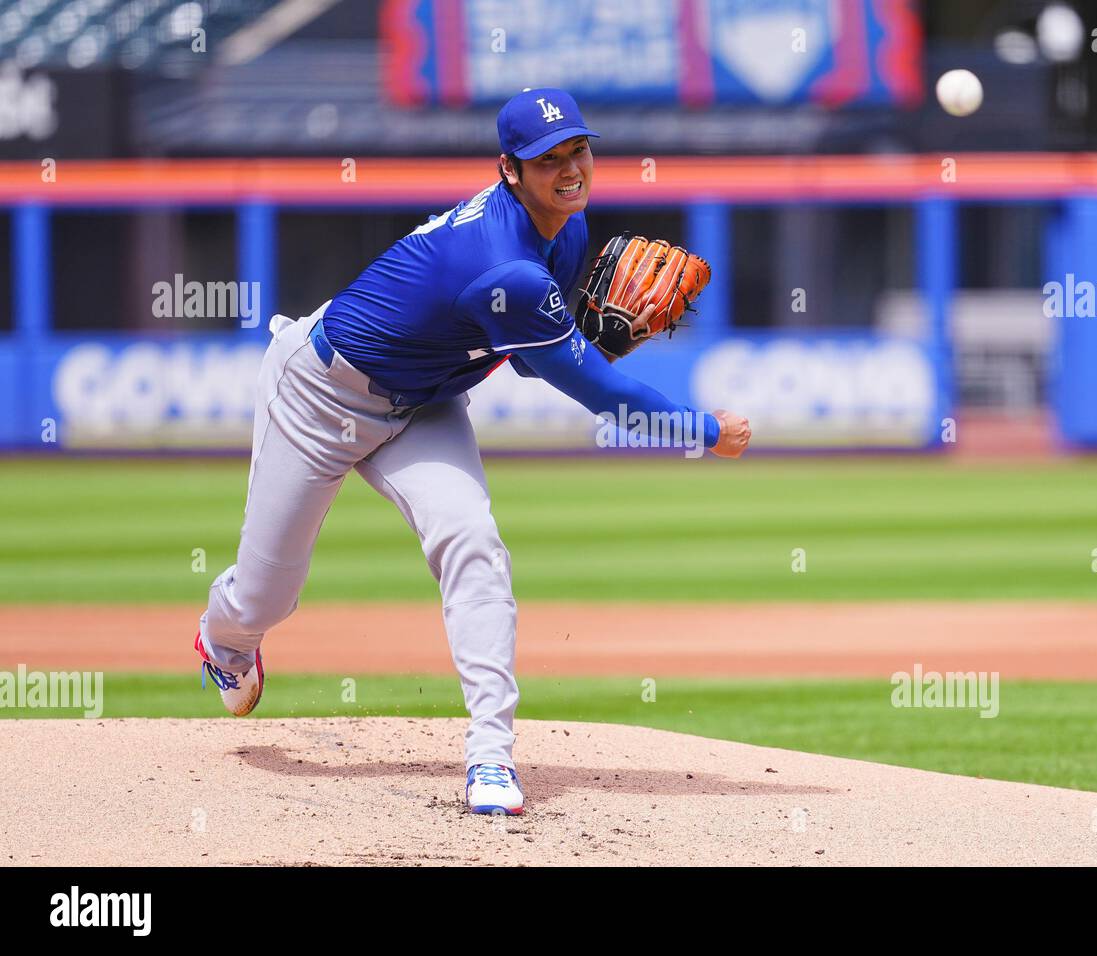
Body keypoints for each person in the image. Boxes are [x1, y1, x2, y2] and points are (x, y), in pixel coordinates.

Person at [193, 87, 751, 816]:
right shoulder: (506, 267)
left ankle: (490, 757)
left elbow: (520, 359)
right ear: (509, 170)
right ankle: (222, 641)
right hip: (319, 395)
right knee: (268, 595)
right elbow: (602, 398)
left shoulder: (566, 231)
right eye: (546, 160)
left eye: (577, 150)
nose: (569, 169)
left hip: (425, 402)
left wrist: (588, 339)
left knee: (474, 543)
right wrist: (707, 433)